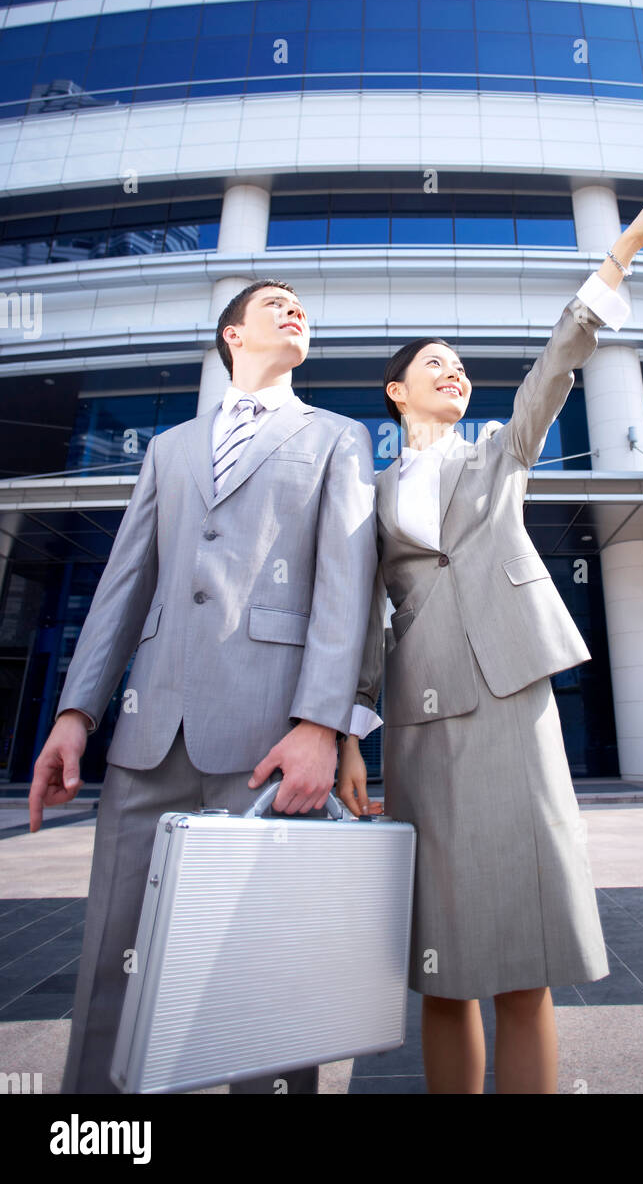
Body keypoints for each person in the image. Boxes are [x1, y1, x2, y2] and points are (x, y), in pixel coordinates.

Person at [337, 163, 643, 1094]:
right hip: (418, 725)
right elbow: (359, 622)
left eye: (459, 364)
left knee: (526, 958)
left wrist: (620, 253)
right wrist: (349, 736)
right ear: (396, 393)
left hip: (509, 701)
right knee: (442, 968)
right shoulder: (364, 497)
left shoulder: (499, 455)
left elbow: (557, 362)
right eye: (432, 365)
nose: (453, 371)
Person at [28, 279, 379, 1095]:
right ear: (231, 335)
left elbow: (347, 588)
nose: (297, 312)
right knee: (114, 961)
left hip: (269, 746)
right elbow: (122, 588)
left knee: (260, 975)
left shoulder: (338, 437)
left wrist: (322, 724)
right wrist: (76, 713)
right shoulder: (168, 449)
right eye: (277, 305)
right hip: (147, 745)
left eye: (303, 309)